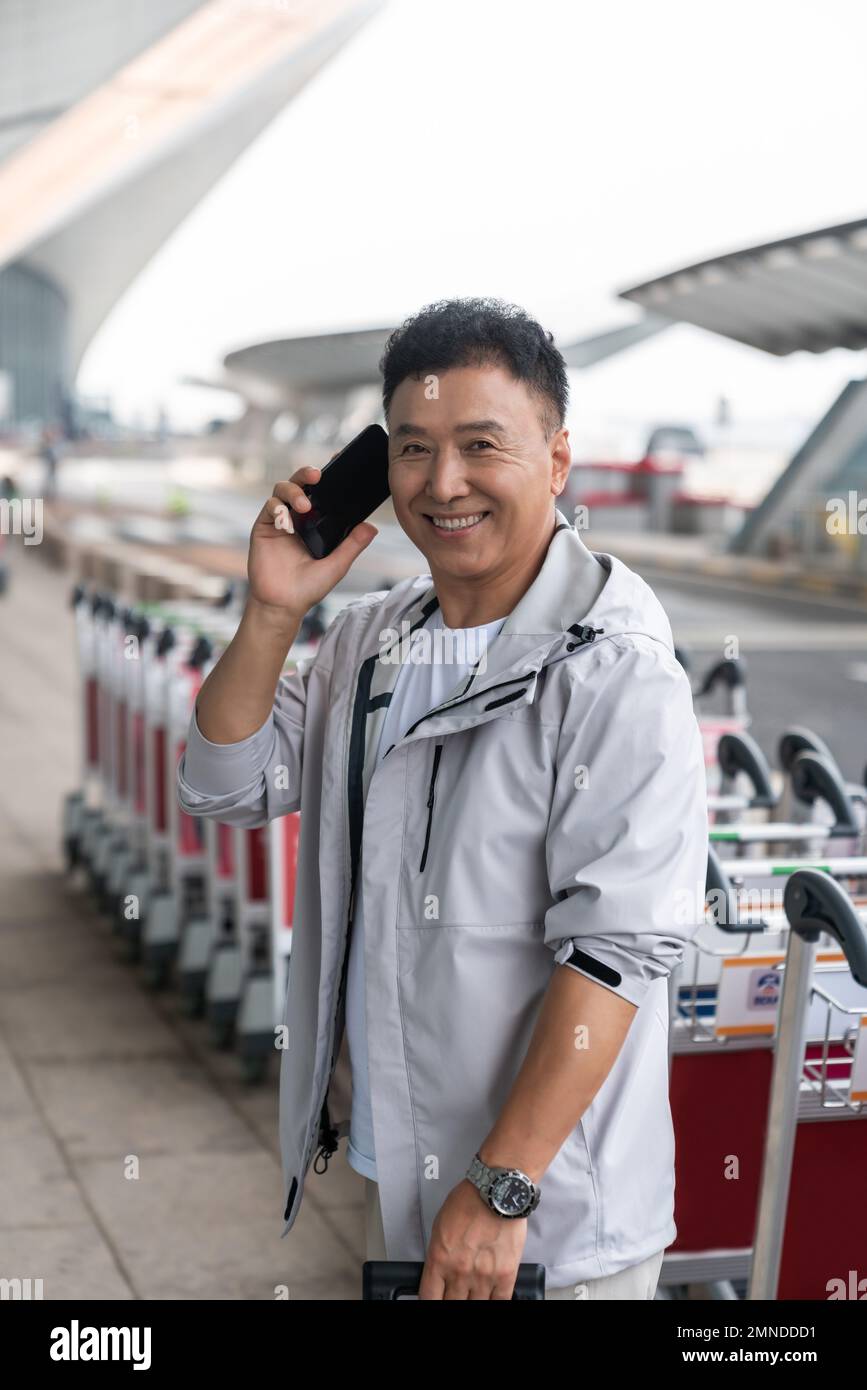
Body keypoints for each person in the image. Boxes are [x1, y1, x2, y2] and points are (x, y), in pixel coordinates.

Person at [177, 297, 708, 1300]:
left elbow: (618, 950)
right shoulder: (370, 642)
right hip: (403, 1169)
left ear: (556, 461)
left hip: (549, 1221)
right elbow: (223, 783)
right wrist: (272, 611)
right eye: (413, 449)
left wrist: (500, 1188)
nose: (444, 481)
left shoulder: (616, 664)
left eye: (481, 444)